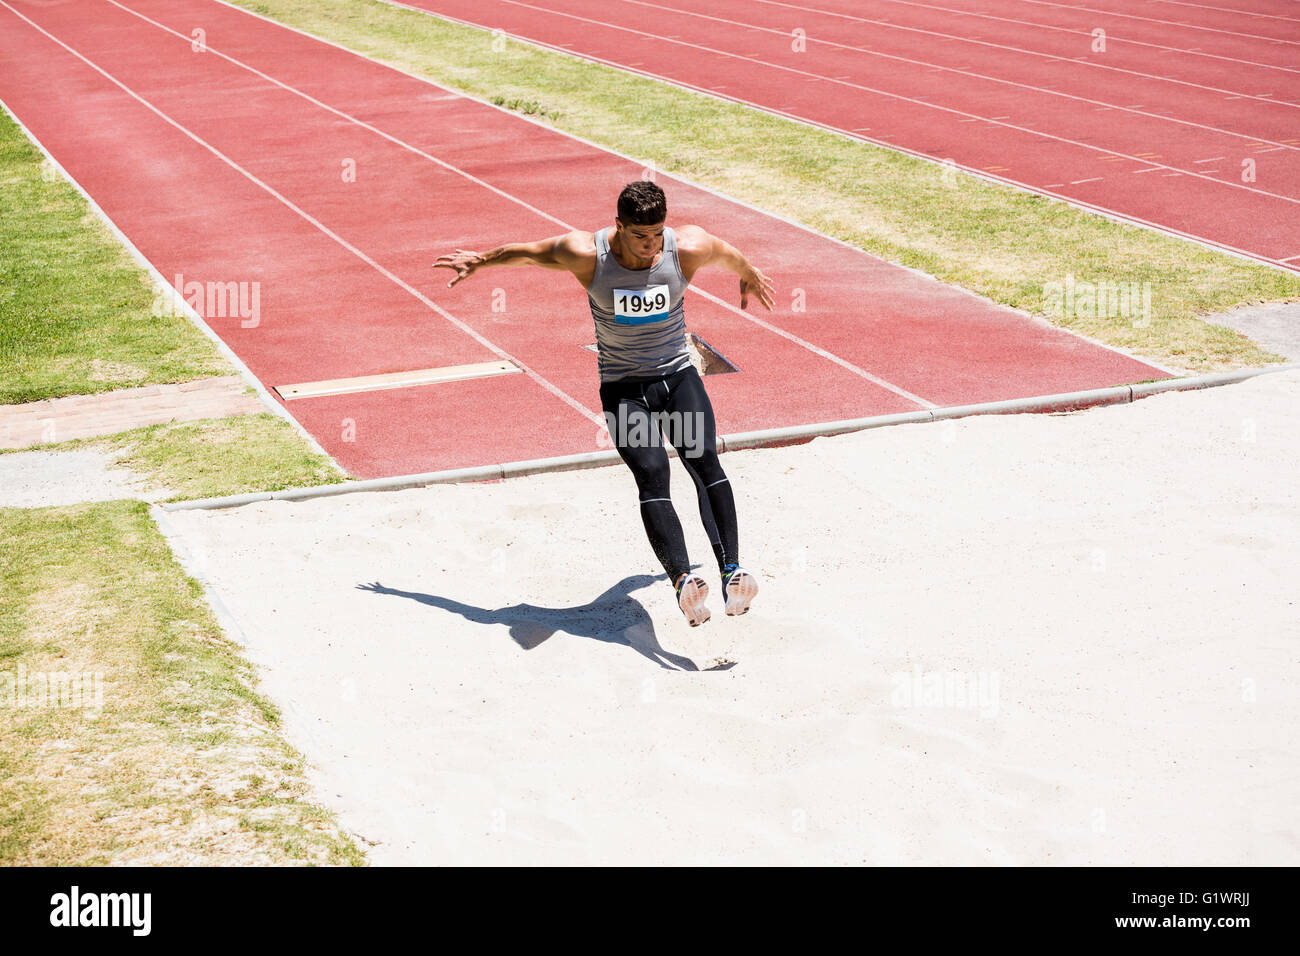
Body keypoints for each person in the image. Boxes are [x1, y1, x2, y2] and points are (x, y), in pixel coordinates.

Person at [434, 181, 772, 627]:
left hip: (676, 378)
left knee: (704, 460)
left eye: (656, 235)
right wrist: (482, 261)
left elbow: (729, 255)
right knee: (653, 473)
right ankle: (683, 581)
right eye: (639, 236)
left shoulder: (686, 247)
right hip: (624, 388)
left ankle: (732, 571)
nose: (651, 246)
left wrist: (747, 273)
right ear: (619, 226)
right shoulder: (586, 254)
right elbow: (529, 251)